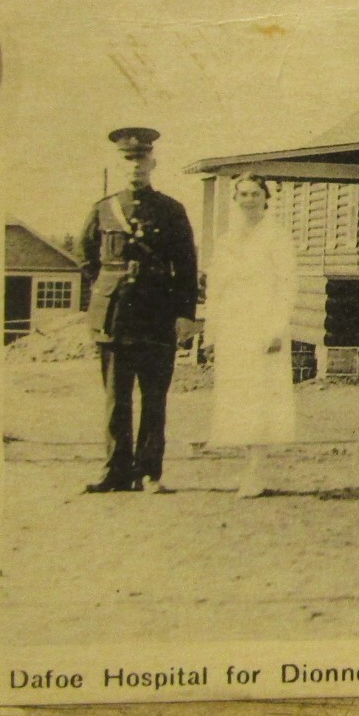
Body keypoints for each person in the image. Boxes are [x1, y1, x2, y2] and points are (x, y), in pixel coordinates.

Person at [81, 127, 199, 494]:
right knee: (116, 398)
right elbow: (87, 258)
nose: (135, 165)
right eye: (128, 159)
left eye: (141, 159)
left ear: (153, 163)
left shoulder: (171, 210)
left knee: (153, 397)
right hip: (115, 316)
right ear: (118, 165)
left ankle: (149, 473)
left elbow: (187, 265)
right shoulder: (103, 209)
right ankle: (116, 472)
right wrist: (107, 288)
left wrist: (185, 314)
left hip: (157, 314)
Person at [205, 172, 298, 498]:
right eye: (243, 195)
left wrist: (276, 328)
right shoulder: (226, 240)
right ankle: (247, 469)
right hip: (233, 326)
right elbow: (215, 288)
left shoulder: (277, 237)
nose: (249, 200)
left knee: (261, 398)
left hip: (262, 324)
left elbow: (287, 285)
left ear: (265, 199)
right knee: (238, 398)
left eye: (255, 194)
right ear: (235, 199)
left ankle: (256, 472)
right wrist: (211, 332)